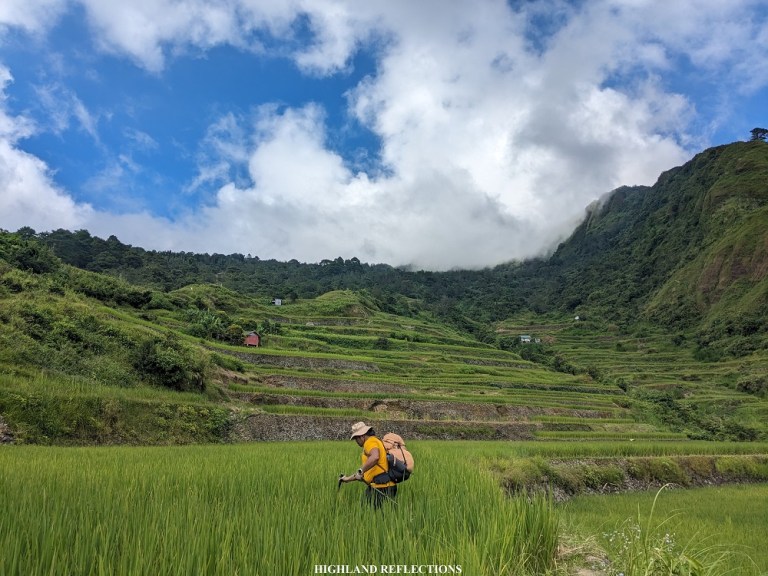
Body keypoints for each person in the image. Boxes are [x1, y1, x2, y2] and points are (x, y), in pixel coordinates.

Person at [339, 421, 397, 508]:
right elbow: (364, 472)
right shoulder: (376, 440)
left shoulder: (370, 442)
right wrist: (347, 479)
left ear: (362, 436)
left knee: (366, 513)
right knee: (377, 516)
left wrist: (361, 471)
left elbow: (375, 457)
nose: (356, 441)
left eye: (356, 439)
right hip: (384, 486)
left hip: (380, 487)